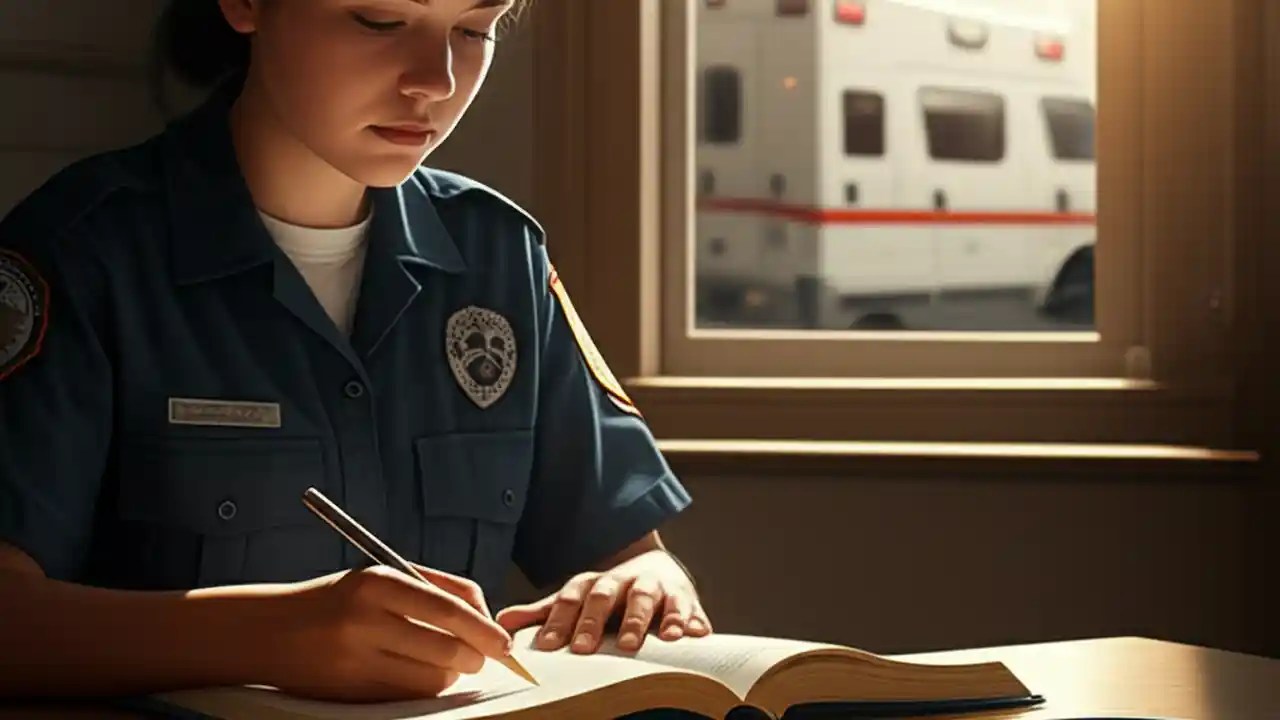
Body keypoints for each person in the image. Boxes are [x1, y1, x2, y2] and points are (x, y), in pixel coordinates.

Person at [0, 0, 711, 703]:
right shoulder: (79, 253)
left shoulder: (497, 255)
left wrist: (646, 582)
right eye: (379, 21)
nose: (435, 79)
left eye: (473, 30)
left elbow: (629, 551)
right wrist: (261, 635)